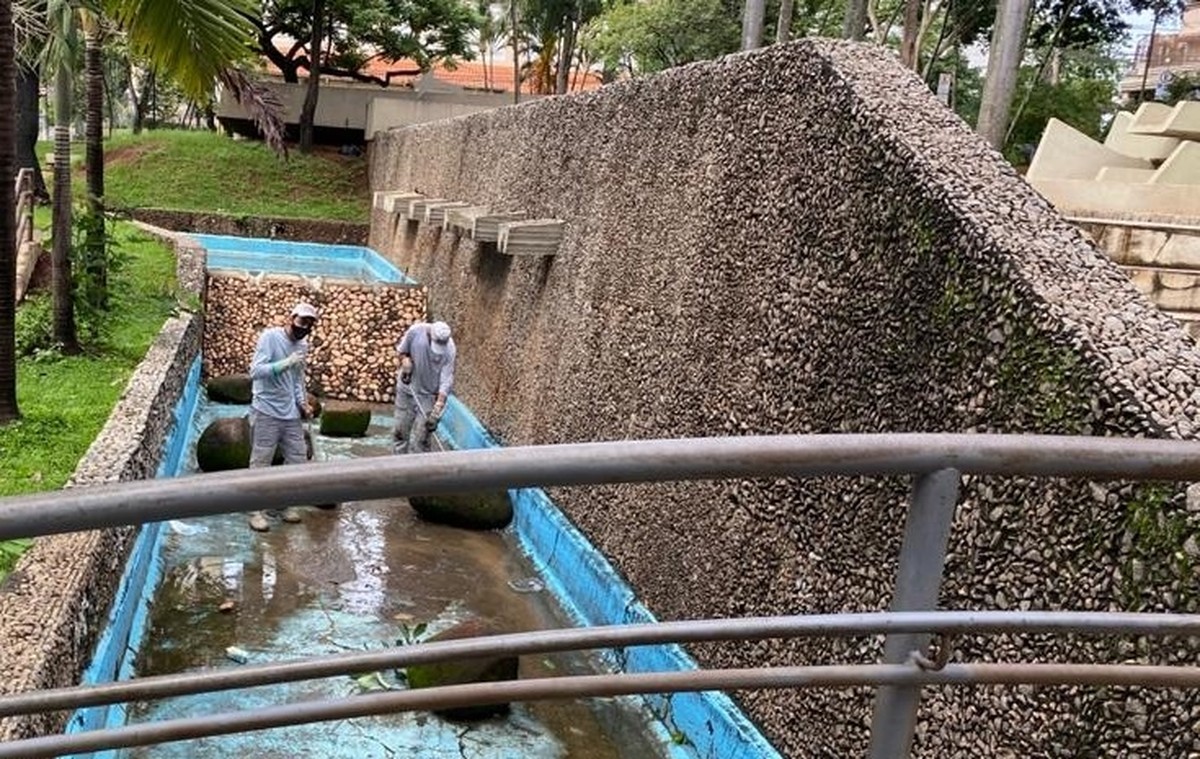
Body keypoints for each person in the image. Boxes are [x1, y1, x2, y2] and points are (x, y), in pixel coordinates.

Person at [246, 302, 318, 532]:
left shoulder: (303, 345)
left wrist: (302, 403)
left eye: (309, 324)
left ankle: (286, 505)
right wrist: (285, 363)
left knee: (297, 458)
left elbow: (297, 379)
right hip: (266, 408)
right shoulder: (270, 337)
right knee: (261, 461)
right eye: (301, 321)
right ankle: (255, 511)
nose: (304, 327)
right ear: (291, 317)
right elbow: (256, 371)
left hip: (290, 412)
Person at [393, 320, 456, 454]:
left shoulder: (449, 349)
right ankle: (398, 469)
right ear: (429, 335)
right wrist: (405, 361)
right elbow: (401, 352)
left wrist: (437, 409)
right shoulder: (415, 332)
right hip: (407, 389)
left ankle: (420, 472)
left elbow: (446, 380)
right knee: (400, 434)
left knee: (421, 439)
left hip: (428, 396)